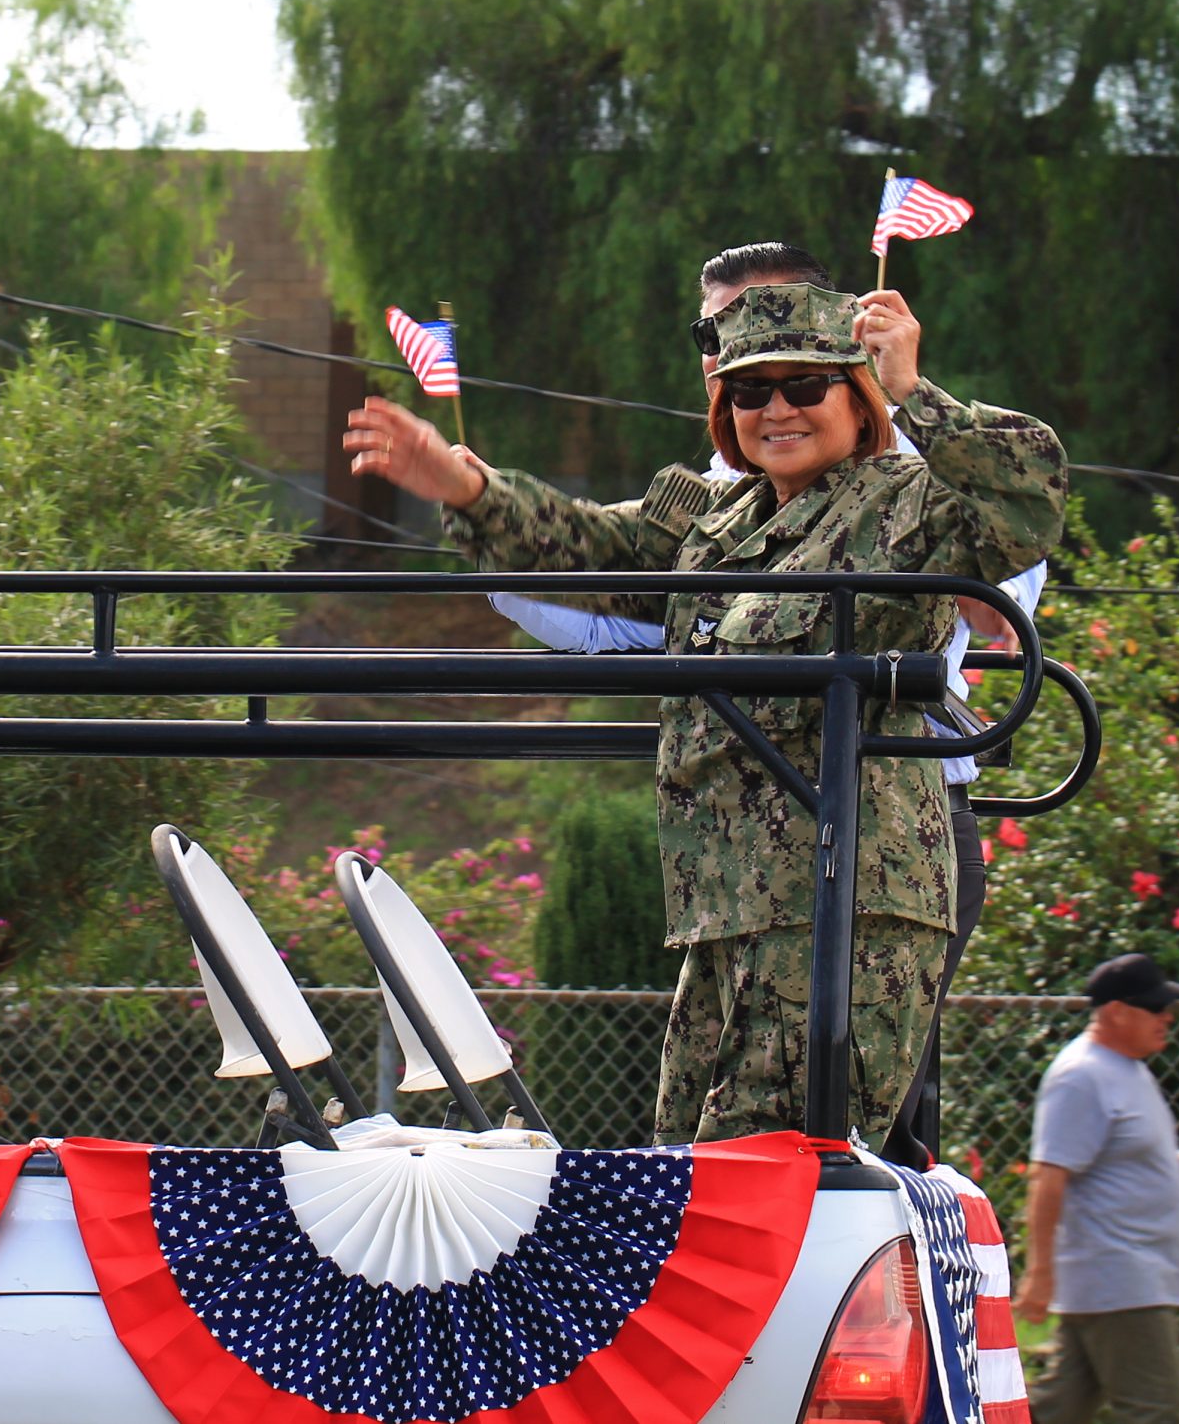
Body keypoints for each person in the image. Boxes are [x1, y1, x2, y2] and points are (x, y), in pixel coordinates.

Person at [343, 248, 1065, 1142]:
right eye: (752, 392)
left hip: (846, 896)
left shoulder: (909, 503)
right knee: (692, 1173)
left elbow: (1027, 501)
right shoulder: (718, 520)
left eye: (805, 385)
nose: (778, 410)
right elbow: (594, 549)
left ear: (855, 393)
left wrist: (915, 390)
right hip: (728, 908)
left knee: (775, 1174)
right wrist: (466, 487)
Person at [1017, 952, 1179, 1424]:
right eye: (1155, 1008)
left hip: (1121, 1279)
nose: (1166, 1017)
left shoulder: (1126, 1069)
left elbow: (1118, 1158)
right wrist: (1040, 1272)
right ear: (1116, 1011)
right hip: (1119, 1278)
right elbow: (1048, 1177)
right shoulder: (1081, 1075)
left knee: (1057, 1410)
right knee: (1159, 1412)